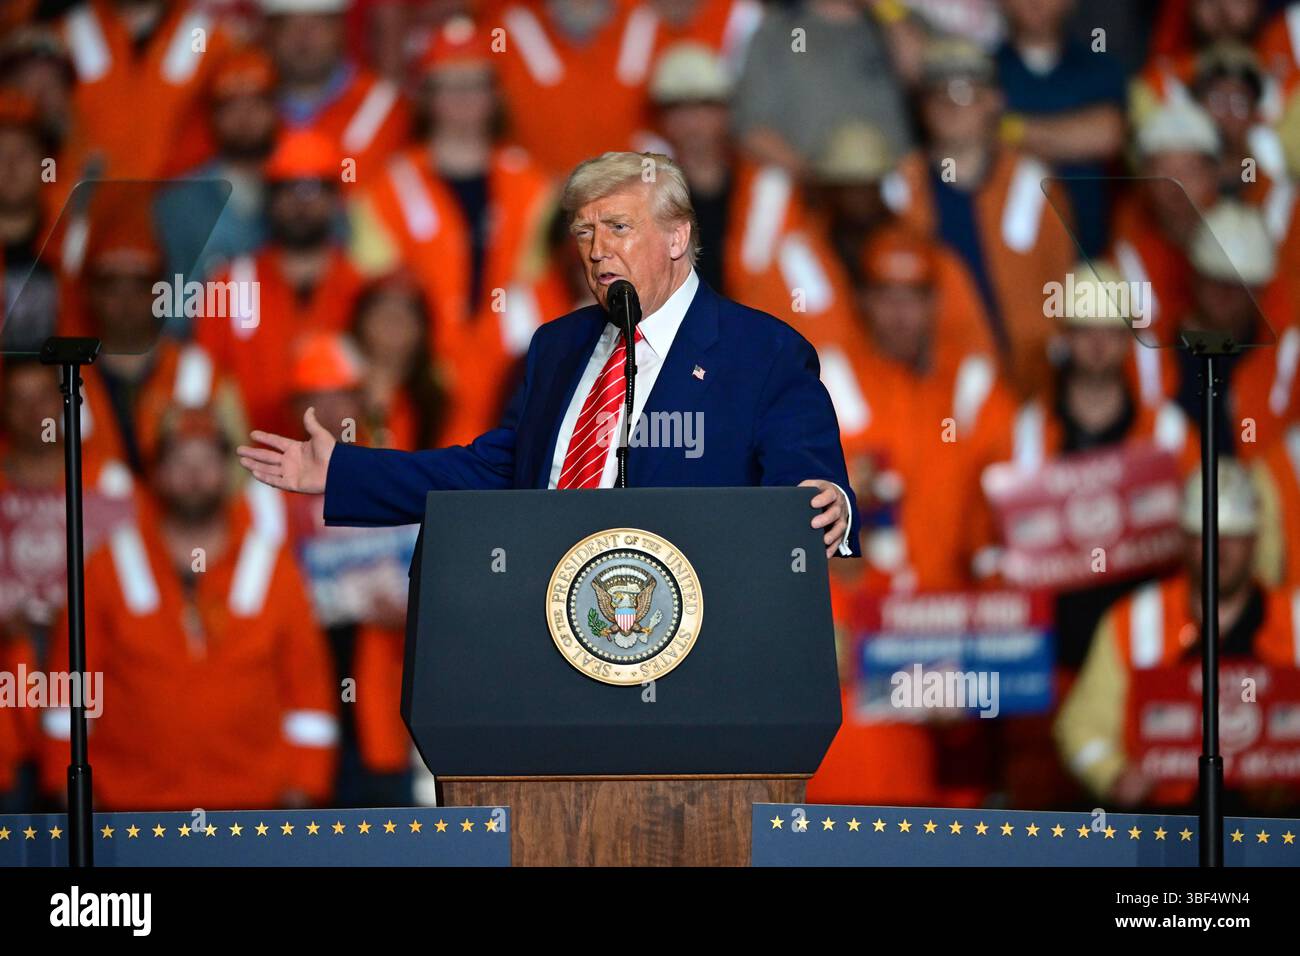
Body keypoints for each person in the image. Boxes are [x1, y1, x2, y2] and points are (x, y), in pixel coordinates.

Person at [240, 151, 860, 557]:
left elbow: (804, 477)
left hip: (701, 655)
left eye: (618, 228)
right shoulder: (558, 346)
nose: (595, 250)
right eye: (584, 234)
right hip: (554, 641)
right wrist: (345, 473)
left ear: (678, 237)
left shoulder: (764, 351)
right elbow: (497, 470)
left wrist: (824, 497)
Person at [41, 404, 339, 811]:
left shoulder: (274, 567)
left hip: (253, 814)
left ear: (228, 472)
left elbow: (309, 694)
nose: (195, 474)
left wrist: (302, 792)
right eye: (180, 459)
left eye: (208, 459)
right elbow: (69, 687)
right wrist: (67, 786)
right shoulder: (105, 566)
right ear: (156, 472)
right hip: (128, 814)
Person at [1054, 460, 1300, 811]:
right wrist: (1113, 775)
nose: (1218, 549)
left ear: (1255, 538)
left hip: (1278, 833)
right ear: (1183, 539)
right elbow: (1080, 726)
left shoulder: (1294, 621)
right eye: (1204, 536)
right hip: (1166, 830)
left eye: (1232, 536)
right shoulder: (1134, 620)